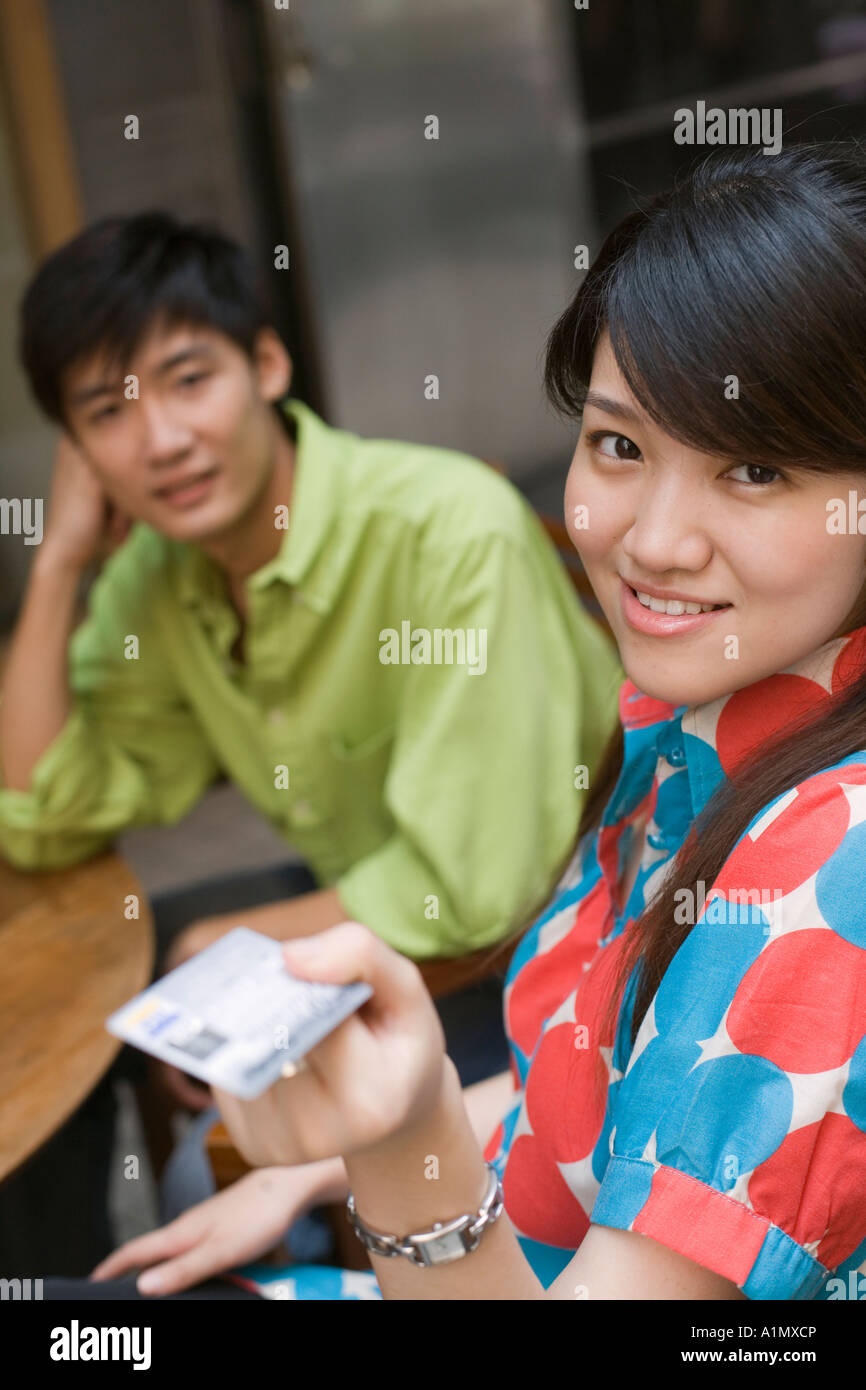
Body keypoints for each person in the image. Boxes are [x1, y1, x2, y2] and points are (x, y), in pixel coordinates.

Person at [46, 139, 866, 1302]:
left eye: (753, 471)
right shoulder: (694, 720)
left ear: (268, 364)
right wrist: (324, 1169)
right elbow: (598, 1107)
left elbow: (469, 899)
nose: (651, 541)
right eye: (619, 445)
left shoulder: (826, 867)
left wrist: (403, 1148)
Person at [0, 213, 621, 1274]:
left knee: (212, 1159)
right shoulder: (161, 574)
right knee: (133, 998)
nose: (161, 439)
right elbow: (41, 812)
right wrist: (55, 565)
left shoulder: (443, 529)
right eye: (108, 411)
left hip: (547, 954)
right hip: (369, 899)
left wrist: (230, 942)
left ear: (268, 363)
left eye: (188, 379)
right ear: (78, 452)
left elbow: (461, 896)